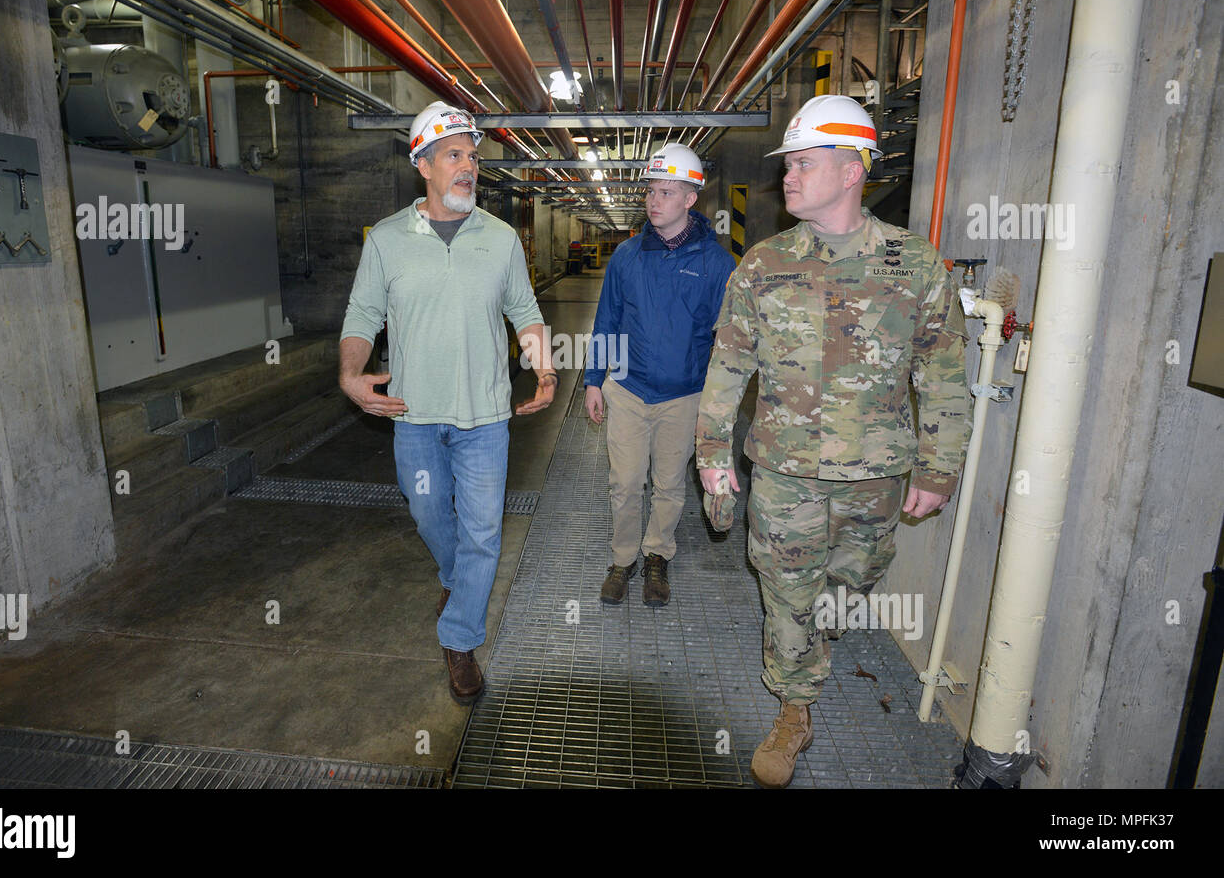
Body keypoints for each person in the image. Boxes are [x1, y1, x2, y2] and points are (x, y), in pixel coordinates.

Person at [695, 95, 971, 788]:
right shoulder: (762, 266)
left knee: (848, 587)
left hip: (876, 478)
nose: (787, 175)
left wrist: (940, 467)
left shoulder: (914, 266)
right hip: (785, 473)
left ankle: (815, 644)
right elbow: (727, 369)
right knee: (787, 591)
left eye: (803, 163)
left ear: (852, 172)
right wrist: (711, 456)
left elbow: (942, 376)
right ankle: (795, 707)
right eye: (786, 164)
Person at [339, 101, 557, 705]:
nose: (468, 167)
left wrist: (544, 366)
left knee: (484, 532)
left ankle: (460, 638)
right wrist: (351, 372)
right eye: (454, 156)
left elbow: (525, 311)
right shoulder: (386, 240)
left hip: (486, 416)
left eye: (473, 156)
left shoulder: (501, 238)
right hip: (413, 414)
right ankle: (454, 579)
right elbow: (362, 315)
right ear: (424, 167)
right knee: (430, 515)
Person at [585, 143, 735, 607]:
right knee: (625, 482)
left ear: (691, 198)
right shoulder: (627, 257)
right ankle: (623, 558)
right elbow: (607, 319)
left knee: (670, 485)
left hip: (684, 396)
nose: (654, 201)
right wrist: (593, 380)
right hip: (628, 390)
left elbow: (727, 343)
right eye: (651, 191)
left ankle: (657, 556)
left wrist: (717, 406)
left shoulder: (718, 265)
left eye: (666, 192)